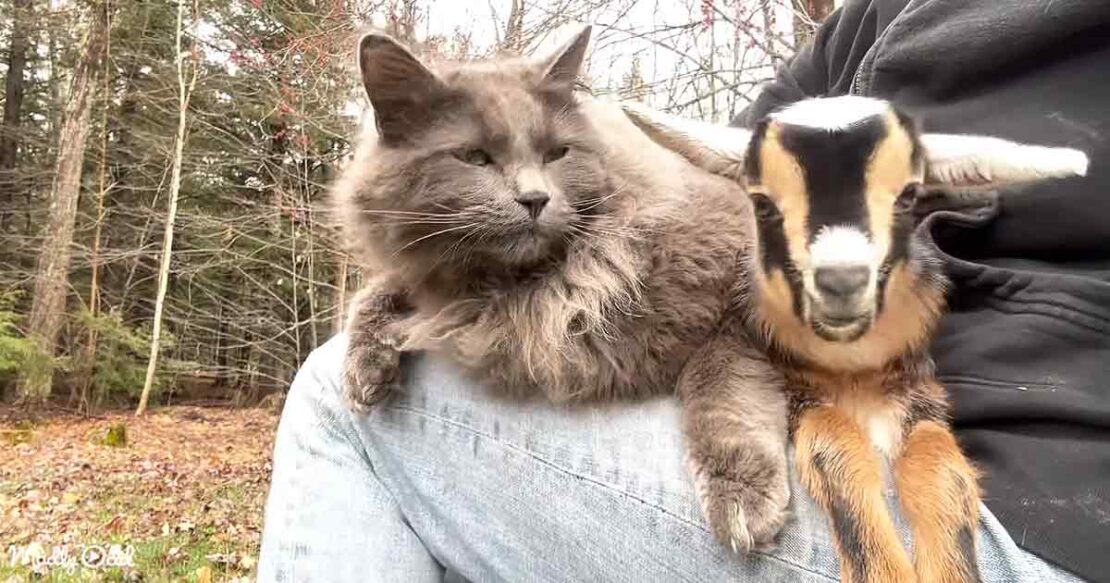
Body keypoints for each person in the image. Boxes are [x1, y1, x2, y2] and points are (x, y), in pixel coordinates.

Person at [258, 0, 1109, 580]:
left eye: (552, 155)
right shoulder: (880, 14)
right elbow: (730, 151)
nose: (528, 186)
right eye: (483, 160)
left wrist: (726, 425)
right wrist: (399, 292)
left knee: (340, 399)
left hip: (1006, 516)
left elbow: (735, 279)